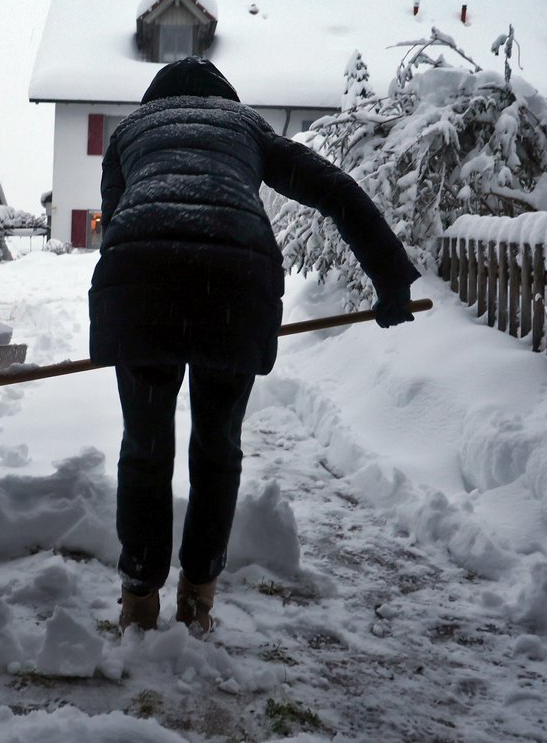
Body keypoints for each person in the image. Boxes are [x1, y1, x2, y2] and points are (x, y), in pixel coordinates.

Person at [89, 57, 420, 634]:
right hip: (235, 281)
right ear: (226, 97)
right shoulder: (247, 126)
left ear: (156, 99)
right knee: (217, 447)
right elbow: (333, 188)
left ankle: (139, 600)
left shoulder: (130, 131)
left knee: (144, 446)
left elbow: (117, 215)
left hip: (139, 275)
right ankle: (198, 600)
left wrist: (138, 306)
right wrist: (390, 278)